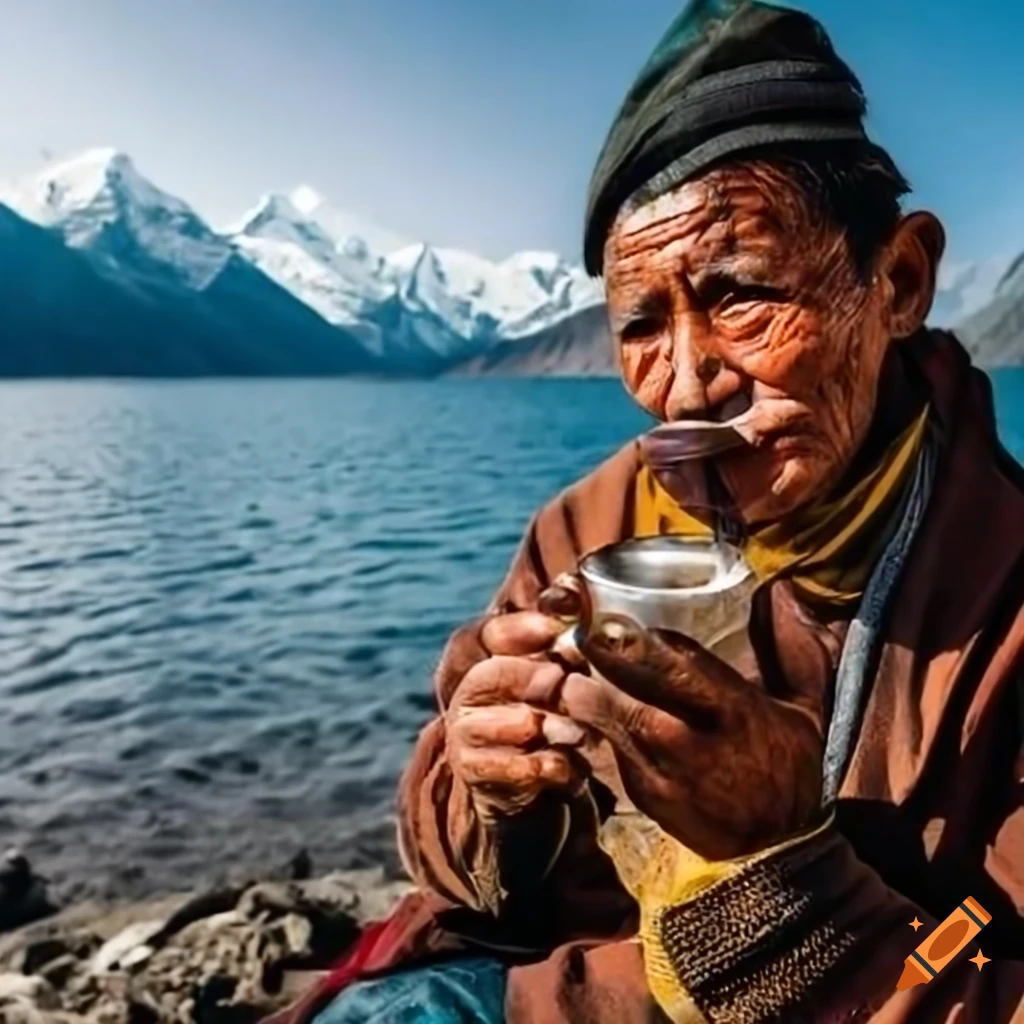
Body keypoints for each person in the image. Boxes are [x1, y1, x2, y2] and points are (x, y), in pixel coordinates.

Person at [279, 1, 1024, 1021]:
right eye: (639, 326)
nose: (685, 385)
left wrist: (775, 867)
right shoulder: (587, 529)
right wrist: (491, 786)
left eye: (739, 297)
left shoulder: (1007, 594)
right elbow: (455, 867)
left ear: (895, 281)